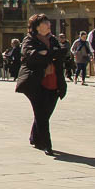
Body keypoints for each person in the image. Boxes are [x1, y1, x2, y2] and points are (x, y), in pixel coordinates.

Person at [15, 13, 67, 155]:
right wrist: (48, 55)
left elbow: (61, 54)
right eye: (45, 23)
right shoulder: (29, 39)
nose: (49, 25)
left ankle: (35, 137)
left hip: (54, 82)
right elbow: (30, 55)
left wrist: (46, 54)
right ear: (37, 26)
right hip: (35, 82)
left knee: (45, 112)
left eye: (48, 22)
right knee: (41, 114)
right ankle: (46, 144)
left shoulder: (53, 40)